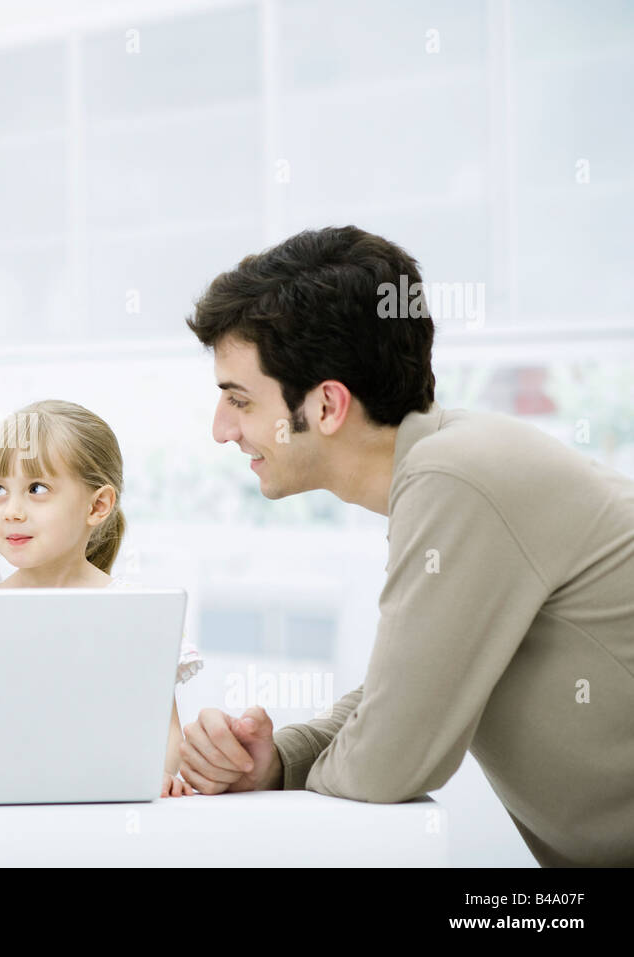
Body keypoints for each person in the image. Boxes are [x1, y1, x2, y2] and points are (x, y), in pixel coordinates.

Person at [177, 225, 634, 867]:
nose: (222, 430)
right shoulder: (452, 462)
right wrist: (280, 759)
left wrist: (299, 763)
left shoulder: (454, 478)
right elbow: (409, 685)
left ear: (328, 405)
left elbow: (390, 761)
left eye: (240, 400)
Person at [0, 399, 203, 798]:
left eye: (36, 489)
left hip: (108, 811)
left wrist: (160, 775)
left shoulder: (137, 615)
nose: (11, 511)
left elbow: (165, 735)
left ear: (97, 505)